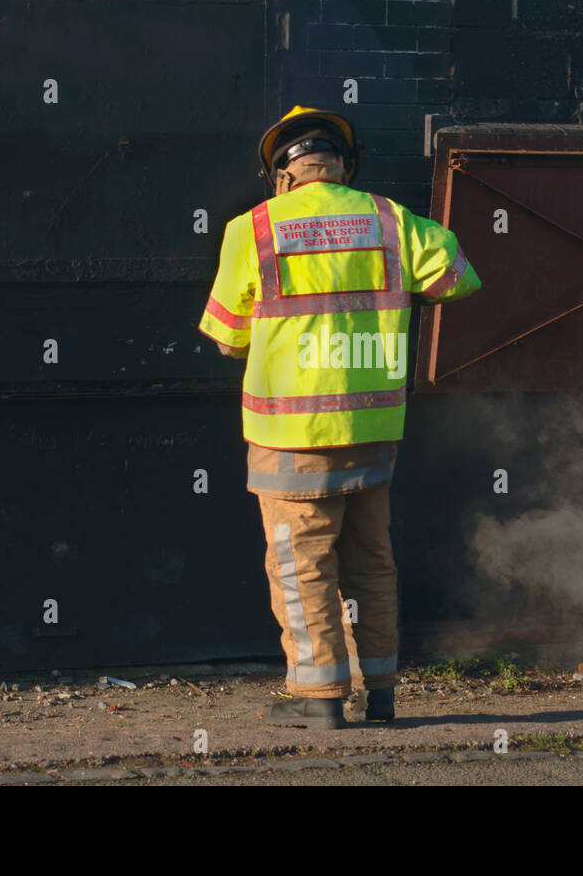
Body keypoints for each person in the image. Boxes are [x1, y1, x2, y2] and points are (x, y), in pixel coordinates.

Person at [198, 106, 481, 729]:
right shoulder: (389, 219)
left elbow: (225, 336)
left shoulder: (254, 230)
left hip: (290, 437)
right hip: (371, 432)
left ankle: (321, 700)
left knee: (301, 567)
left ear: (283, 176)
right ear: (343, 166)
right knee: (371, 560)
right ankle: (381, 695)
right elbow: (459, 279)